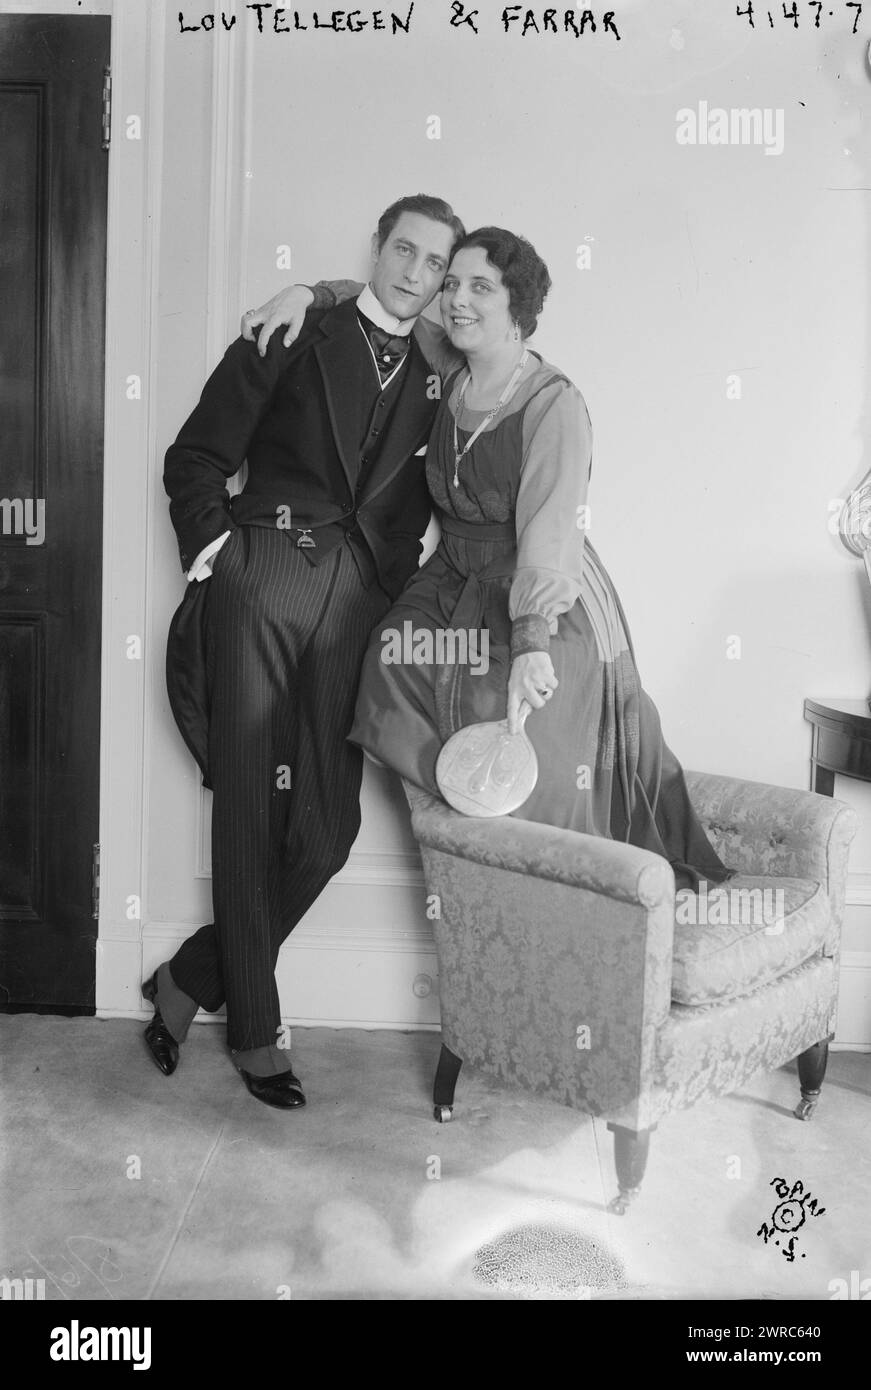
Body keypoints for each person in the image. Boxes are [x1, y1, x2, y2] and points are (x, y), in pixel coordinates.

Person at [243, 228, 731, 887]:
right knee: (387, 663)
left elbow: (550, 531)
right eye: (451, 284)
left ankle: (574, 890)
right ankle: (478, 825)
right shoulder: (448, 363)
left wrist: (531, 640)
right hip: (453, 576)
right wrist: (306, 292)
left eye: (479, 287)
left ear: (518, 304)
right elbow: (382, 300)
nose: (454, 300)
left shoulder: (552, 403)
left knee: (538, 744)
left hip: (542, 587)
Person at [147, 194, 467, 1108]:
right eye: (402, 249)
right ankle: (254, 1033)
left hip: (357, 611)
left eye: (434, 264)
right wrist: (220, 556)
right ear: (377, 246)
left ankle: (189, 978)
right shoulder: (296, 330)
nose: (413, 272)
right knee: (249, 810)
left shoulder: (444, 377)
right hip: (258, 586)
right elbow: (195, 456)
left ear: (446, 282)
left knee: (324, 832)